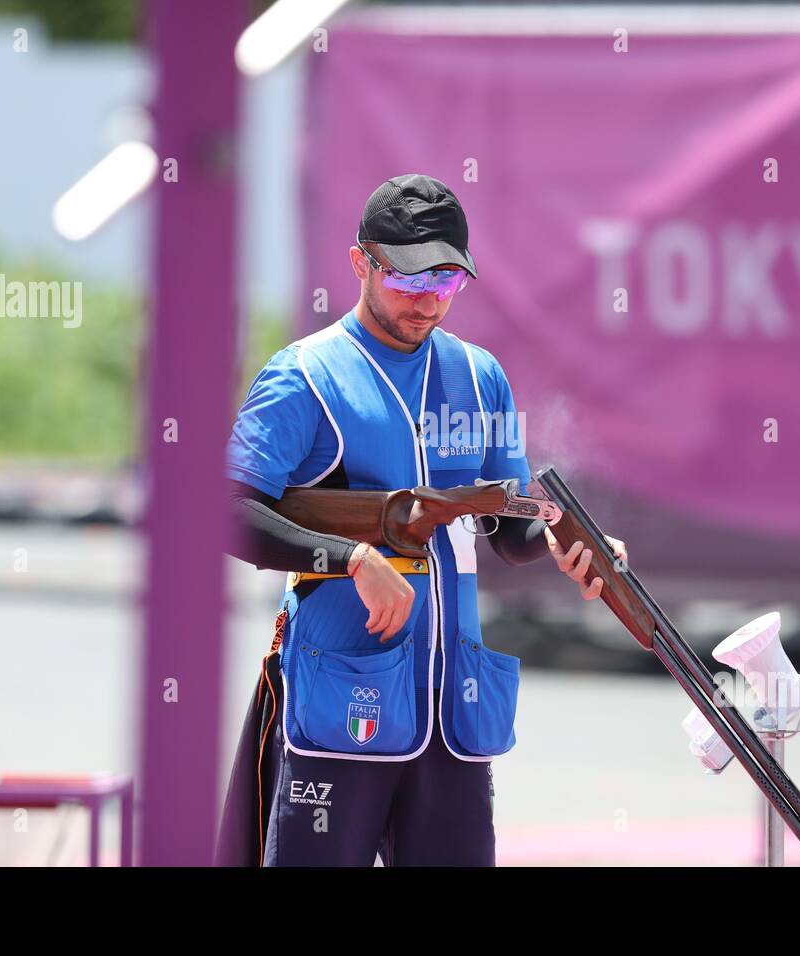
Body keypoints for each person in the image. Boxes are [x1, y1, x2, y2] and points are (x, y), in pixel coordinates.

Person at [216, 173, 626, 867]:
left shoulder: (479, 376)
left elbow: (510, 528)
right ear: (360, 263)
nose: (428, 301)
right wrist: (351, 559)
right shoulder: (304, 375)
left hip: (453, 715)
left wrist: (565, 538)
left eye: (446, 282)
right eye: (408, 280)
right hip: (341, 702)